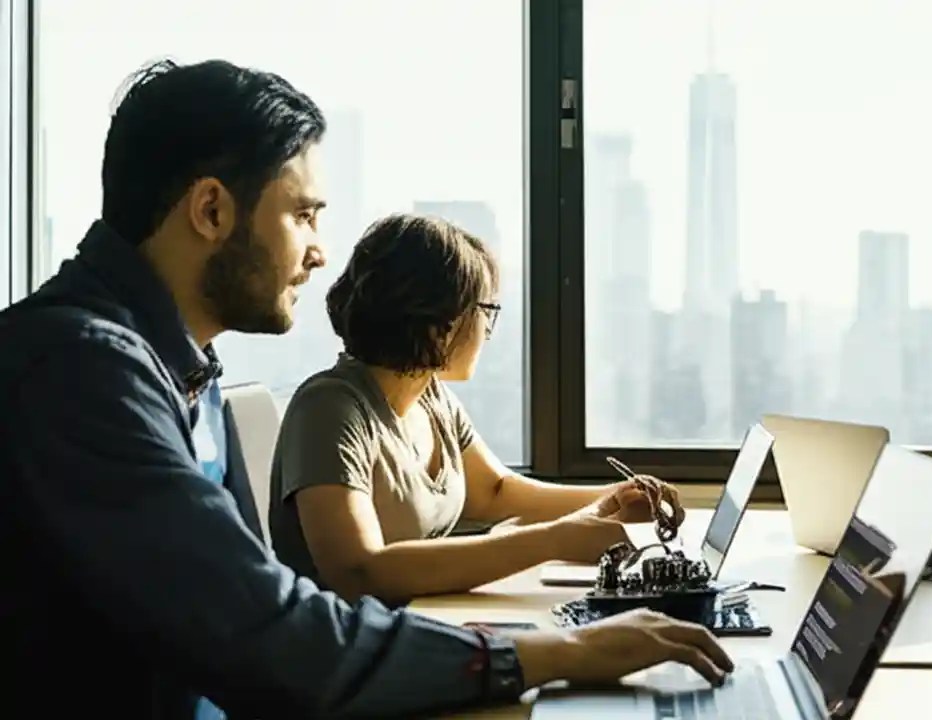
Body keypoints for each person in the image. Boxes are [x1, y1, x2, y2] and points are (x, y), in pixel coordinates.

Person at [0, 58, 732, 718]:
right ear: (212, 210)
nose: (320, 251)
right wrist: (559, 653)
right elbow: (275, 633)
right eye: (303, 214)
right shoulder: (82, 373)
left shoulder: (180, 369)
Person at [269, 213, 685, 602]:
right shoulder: (329, 410)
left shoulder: (430, 398)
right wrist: (555, 540)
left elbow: (495, 492)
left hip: (417, 620)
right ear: (437, 320)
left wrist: (616, 495)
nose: (487, 329)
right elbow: (358, 572)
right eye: (485, 310)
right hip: (349, 644)